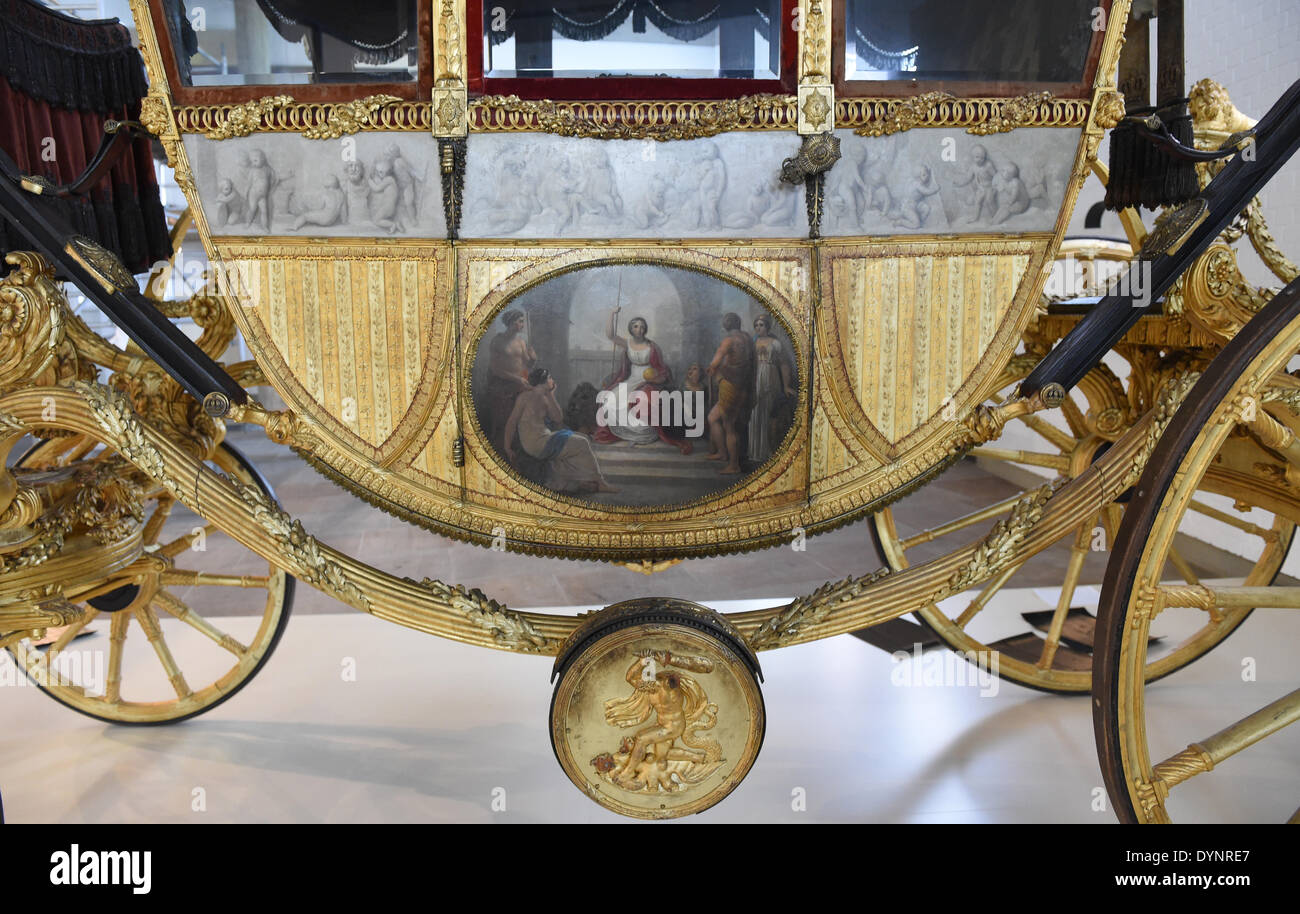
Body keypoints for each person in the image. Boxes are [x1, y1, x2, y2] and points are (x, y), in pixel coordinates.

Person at [594, 307, 693, 455]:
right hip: (631, 378)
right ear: (631, 329)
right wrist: (611, 314)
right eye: (635, 326)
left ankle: (642, 435)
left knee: (643, 400)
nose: (639, 329)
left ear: (645, 329)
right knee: (612, 398)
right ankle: (626, 433)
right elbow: (610, 335)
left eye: (642, 327)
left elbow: (662, 370)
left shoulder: (652, 346)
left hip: (648, 378)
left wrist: (656, 378)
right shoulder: (627, 343)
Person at [504, 368, 617, 494]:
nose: (552, 381)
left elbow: (557, 418)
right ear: (544, 380)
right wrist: (507, 446)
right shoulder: (526, 397)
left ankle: (575, 481)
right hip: (538, 443)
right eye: (550, 378)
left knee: (580, 439)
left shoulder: (543, 397)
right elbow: (512, 422)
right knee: (582, 443)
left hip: (543, 439)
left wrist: (551, 395)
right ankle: (600, 482)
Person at [705, 312, 755, 474]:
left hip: (730, 385)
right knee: (713, 417)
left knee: (729, 425)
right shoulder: (747, 338)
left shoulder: (729, 340)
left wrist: (712, 368)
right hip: (744, 385)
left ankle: (734, 465)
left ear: (726, 325)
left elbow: (716, 361)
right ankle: (722, 453)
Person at [485, 309, 536, 454]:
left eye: (522, 321)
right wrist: (517, 379)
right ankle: (501, 451)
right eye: (520, 321)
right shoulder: (498, 341)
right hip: (503, 387)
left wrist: (533, 358)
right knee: (504, 420)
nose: (522, 324)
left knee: (522, 419)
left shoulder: (521, 342)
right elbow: (495, 369)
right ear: (512, 322)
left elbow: (528, 365)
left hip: (520, 386)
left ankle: (520, 449)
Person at [748, 315, 795, 463]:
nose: (758, 328)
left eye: (761, 325)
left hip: (770, 377)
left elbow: (784, 364)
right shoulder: (752, 342)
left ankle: (767, 451)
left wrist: (786, 386)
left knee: (767, 411)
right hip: (755, 378)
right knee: (755, 413)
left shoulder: (775, 343)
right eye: (756, 325)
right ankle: (753, 451)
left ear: (767, 327)